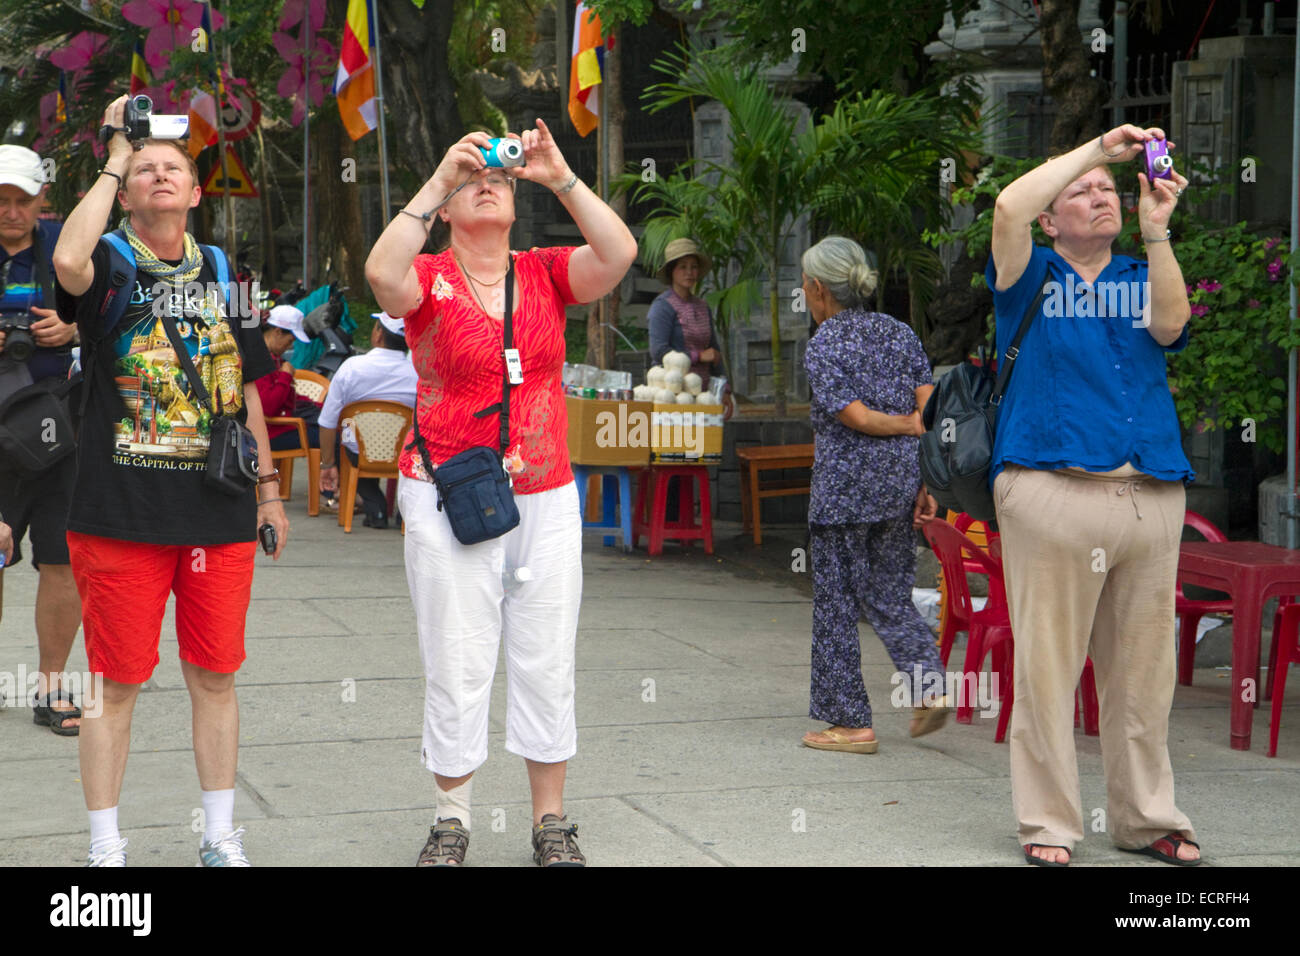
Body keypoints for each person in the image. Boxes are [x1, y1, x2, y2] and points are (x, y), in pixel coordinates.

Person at [365, 118, 636, 867]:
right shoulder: (429, 277)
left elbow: (619, 253)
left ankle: (551, 821)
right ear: (449, 207)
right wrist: (438, 180)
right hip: (449, 490)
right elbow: (381, 276)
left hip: (545, 491)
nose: (488, 182)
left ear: (517, 198)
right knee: (456, 655)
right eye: (472, 180)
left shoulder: (545, 271)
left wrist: (559, 174)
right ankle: (452, 818)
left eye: (500, 176)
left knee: (547, 655)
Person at [51, 95, 289, 867]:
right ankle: (105, 848)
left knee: (215, 676)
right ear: (124, 190)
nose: (160, 175)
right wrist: (119, 148)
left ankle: (220, 837)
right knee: (114, 684)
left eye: (174, 168)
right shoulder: (108, 262)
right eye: (145, 168)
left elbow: (249, 385)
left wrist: (270, 492)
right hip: (120, 512)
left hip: (217, 510)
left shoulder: (227, 271)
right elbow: (66, 261)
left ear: (195, 191)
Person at [987, 125, 1198, 867]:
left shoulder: (1141, 274)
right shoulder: (1029, 275)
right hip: (1052, 492)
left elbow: (1172, 325)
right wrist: (1095, 152)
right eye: (1081, 192)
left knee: (1145, 675)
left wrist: (1157, 232)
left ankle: (1146, 817)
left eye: (1108, 188)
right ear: (1053, 215)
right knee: (1047, 669)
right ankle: (1048, 822)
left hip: (1149, 491)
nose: (1100, 193)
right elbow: (1008, 209)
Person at [798, 236, 949, 756]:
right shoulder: (899, 331)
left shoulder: (824, 344)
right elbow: (930, 411)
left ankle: (849, 723)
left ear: (818, 289)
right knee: (888, 595)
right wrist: (926, 478)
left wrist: (904, 424)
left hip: (845, 490)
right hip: (898, 483)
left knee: (837, 602)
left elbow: (856, 418)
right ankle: (929, 686)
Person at [0, 144, 84, 737]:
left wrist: (74, 325)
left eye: (22, 200)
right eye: (0, 201)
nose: (10, 212)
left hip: (61, 430)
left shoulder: (70, 252)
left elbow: (122, 316)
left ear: (41, 200)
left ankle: (51, 687)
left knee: (63, 562)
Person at [316, 312, 419, 529]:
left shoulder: (352, 367)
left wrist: (327, 464)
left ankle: (376, 507)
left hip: (360, 452)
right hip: (405, 453)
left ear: (379, 335)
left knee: (343, 440)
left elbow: (326, 422)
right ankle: (405, 510)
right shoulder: (418, 371)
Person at [647, 237, 733, 416]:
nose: (689, 272)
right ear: (672, 272)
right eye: (683, 267)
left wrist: (725, 390)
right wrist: (699, 356)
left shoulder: (702, 306)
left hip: (702, 392)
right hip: (673, 394)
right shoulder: (662, 306)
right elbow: (659, 351)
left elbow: (714, 352)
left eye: (693, 267)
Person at [256, 303, 319, 452]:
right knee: (334, 438)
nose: (290, 347)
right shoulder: (260, 360)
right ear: (277, 332)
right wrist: (285, 376)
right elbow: (269, 407)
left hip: (279, 425)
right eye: (290, 341)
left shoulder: (274, 358)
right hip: (270, 432)